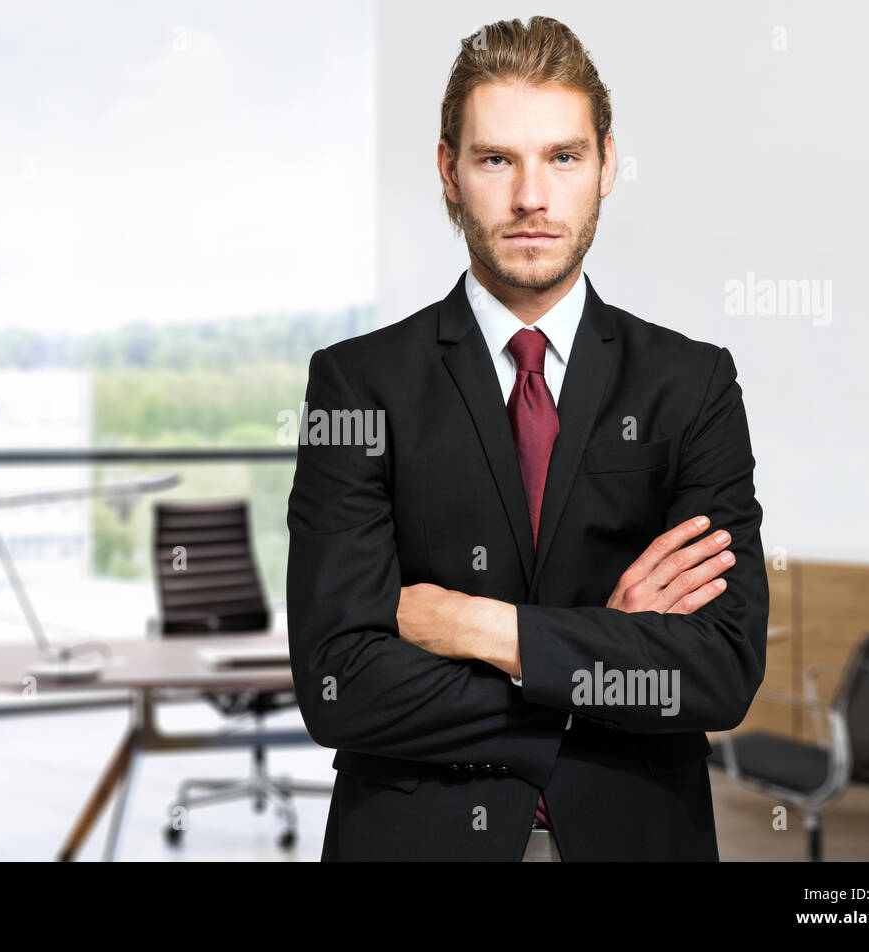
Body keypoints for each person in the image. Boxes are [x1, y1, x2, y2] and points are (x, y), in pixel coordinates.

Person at [285, 15, 768, 861]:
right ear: (448, 170)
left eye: (564, 157)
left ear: (607, 165)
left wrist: (480, 628)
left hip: (636, 833)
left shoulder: (692, 385)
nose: (531, 198)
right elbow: (339, 685)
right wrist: (601, 652)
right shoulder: (356, 384)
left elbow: (720, 669)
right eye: (496, 158)